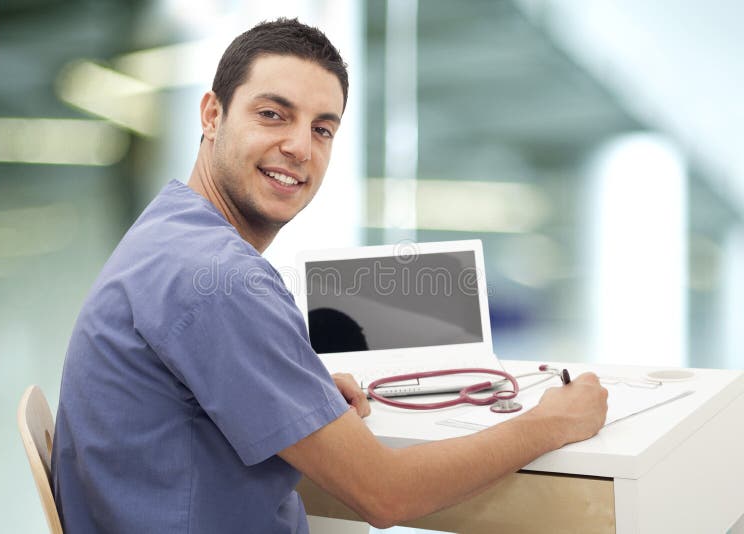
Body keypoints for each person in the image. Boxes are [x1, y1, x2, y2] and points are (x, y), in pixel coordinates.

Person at [52, 17, 608, 533]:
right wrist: (549, 423)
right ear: (212, 115)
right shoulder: (220, 279)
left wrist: (296, 388)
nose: (298, 147)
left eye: (322, 129)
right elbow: (387, 495)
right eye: (273, 114)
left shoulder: (169, 235)